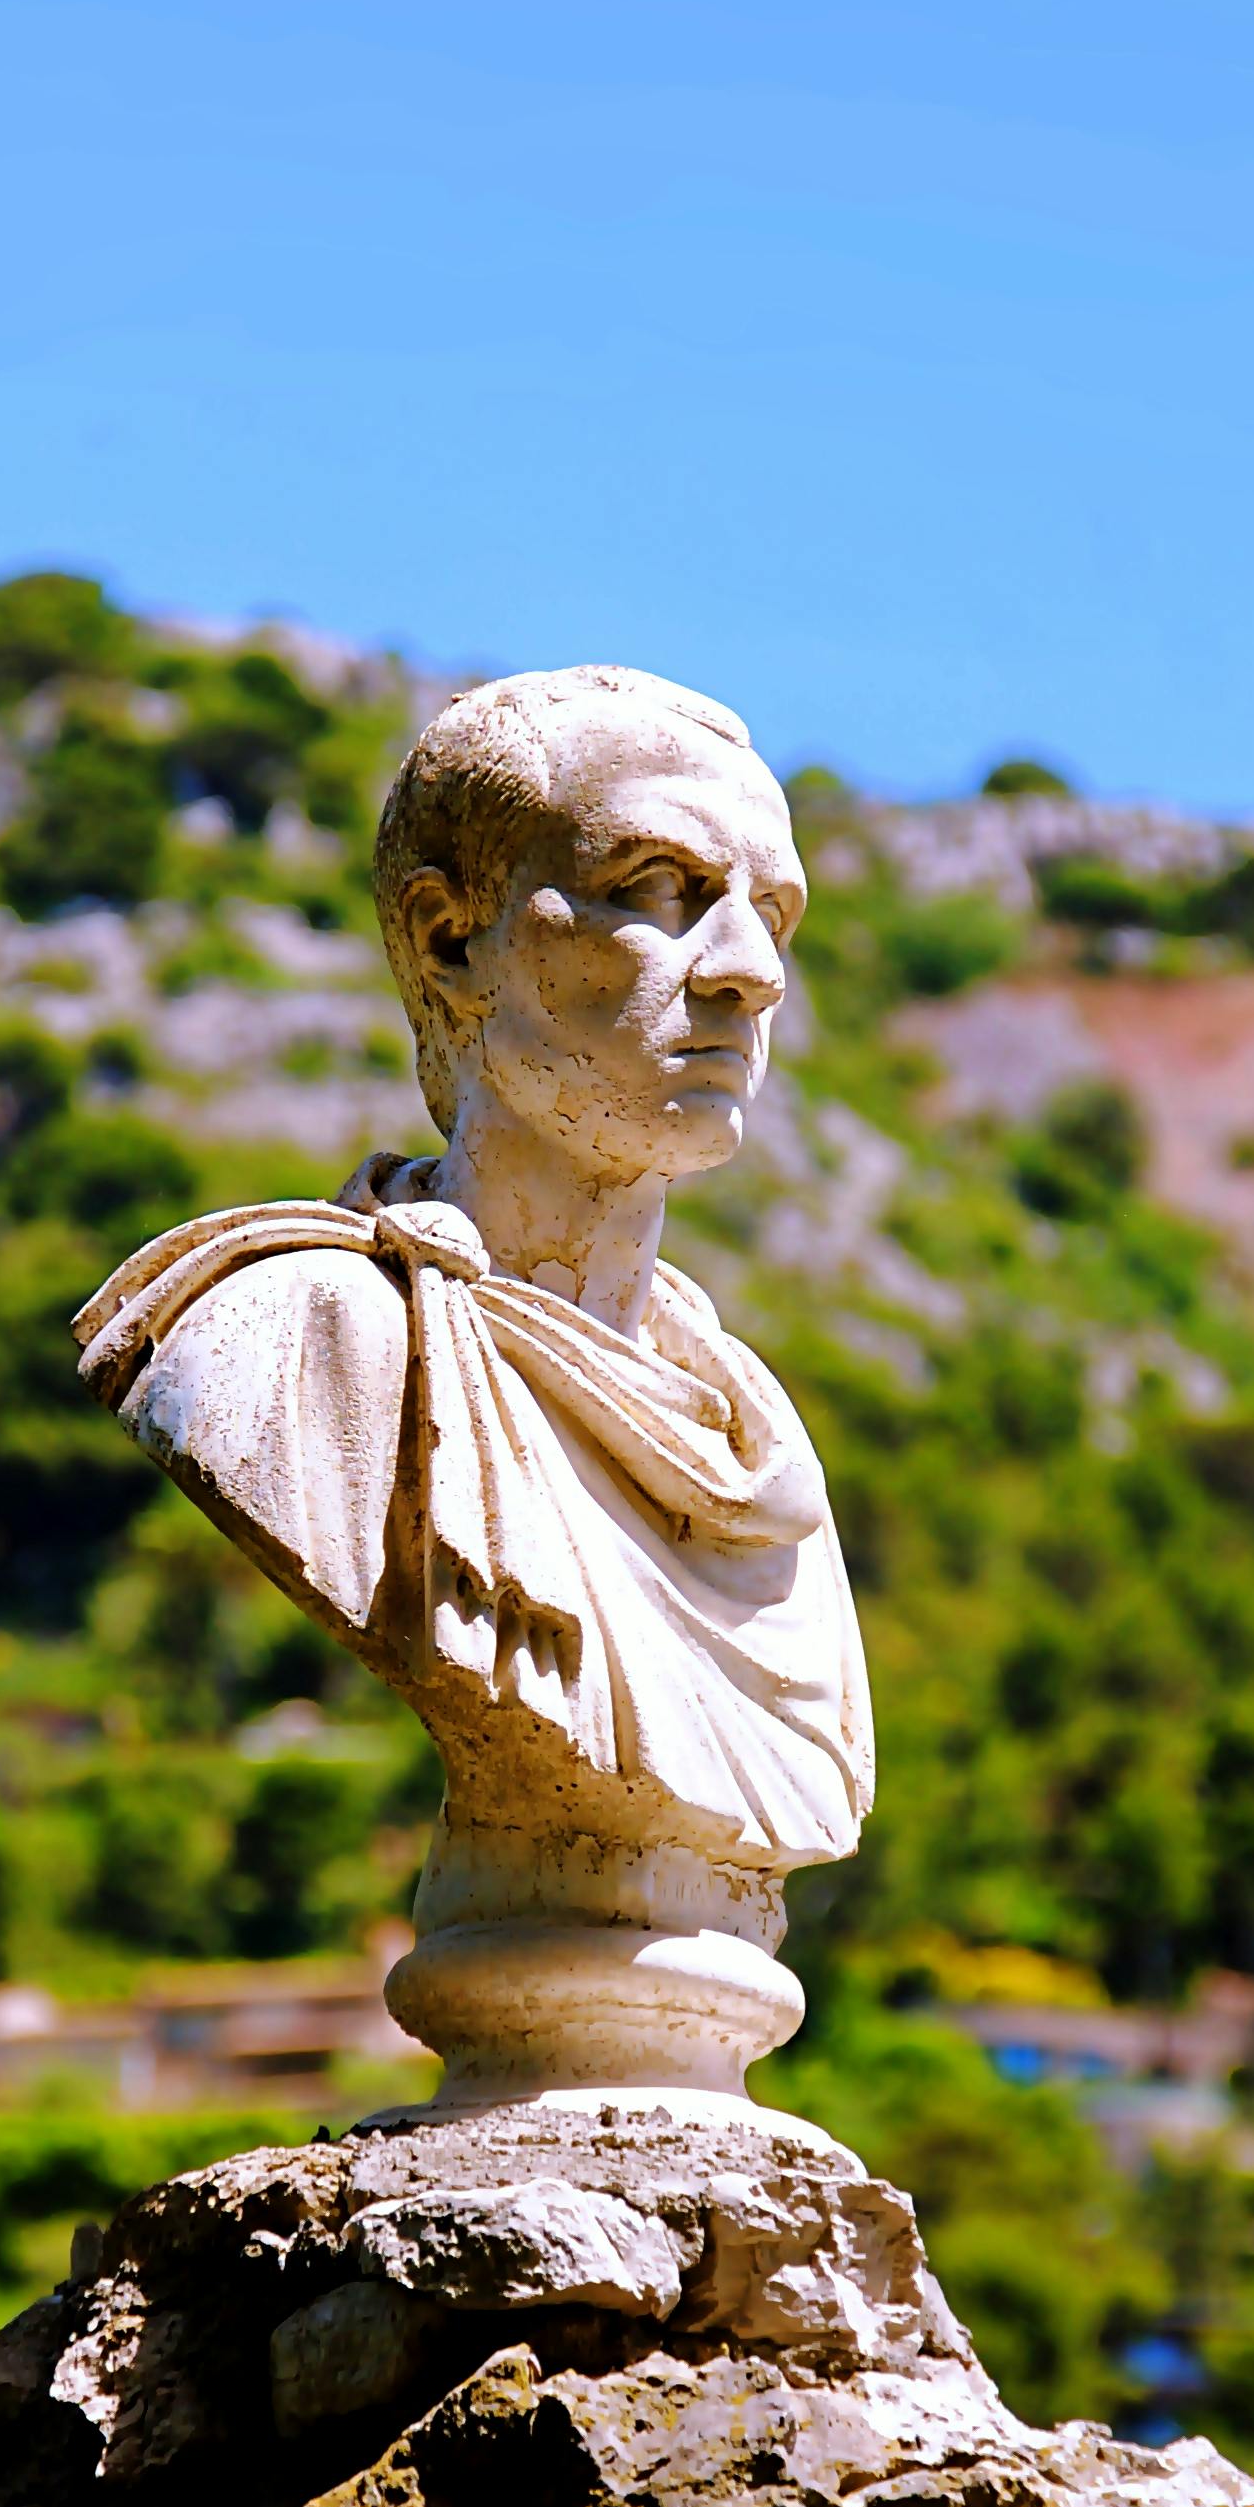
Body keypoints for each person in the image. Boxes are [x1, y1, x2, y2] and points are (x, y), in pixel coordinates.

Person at [75, 663, 873, 2110]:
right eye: (658, 886)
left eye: (775, 913)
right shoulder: (288, 1345)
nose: (749, 968)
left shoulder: (759, 1452)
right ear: (452, 942)